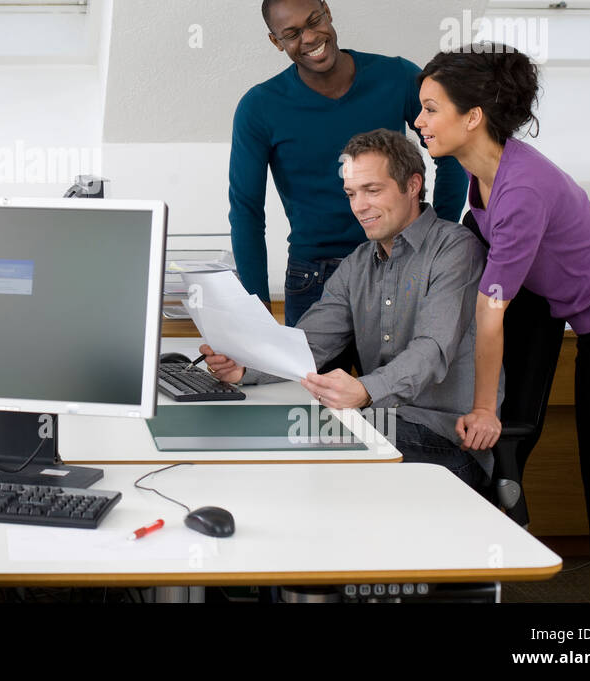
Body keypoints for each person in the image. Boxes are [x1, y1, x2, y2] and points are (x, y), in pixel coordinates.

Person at [415, 47, 590, 603]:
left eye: (431, 109)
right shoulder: (481, 181)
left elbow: (493, 309)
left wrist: (486, 408)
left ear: (472, 116)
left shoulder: (521, 189)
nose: (419, 122)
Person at [205, 129, 496, 490]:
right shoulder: (358, 264)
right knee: (286, 439)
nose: (359, 206)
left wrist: (365, 390)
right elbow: (309, 343)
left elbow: (432, 350)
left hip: (449, 441)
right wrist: (245, 366)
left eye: (372, 190)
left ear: (412, 185)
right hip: (380, 425)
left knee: (310, 448)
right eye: (352, 194)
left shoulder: (455, 249)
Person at [230, 0, 468, 326]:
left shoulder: (396, 76)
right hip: (313, 278)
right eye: (292, 33)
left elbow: (451, 152)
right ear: (276, 42)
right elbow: (246, 211)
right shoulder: (259, 108)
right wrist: (256, 307)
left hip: (398, 263)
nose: (309, 38)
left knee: (402, 379)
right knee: (309, 381)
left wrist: (433, 237)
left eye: (314, 21)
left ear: (327, 11)